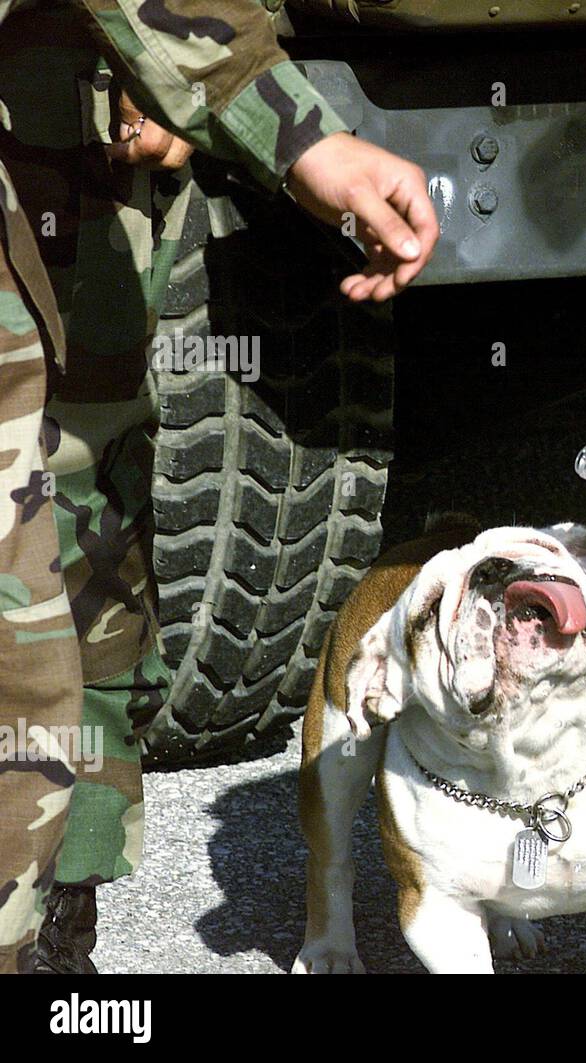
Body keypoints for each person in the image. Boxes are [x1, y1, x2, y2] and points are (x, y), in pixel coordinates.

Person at [0, 0, 436, 975]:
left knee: (95, 556)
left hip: (57, 100)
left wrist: (158, 65)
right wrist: (285, 121)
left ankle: (58, 936)